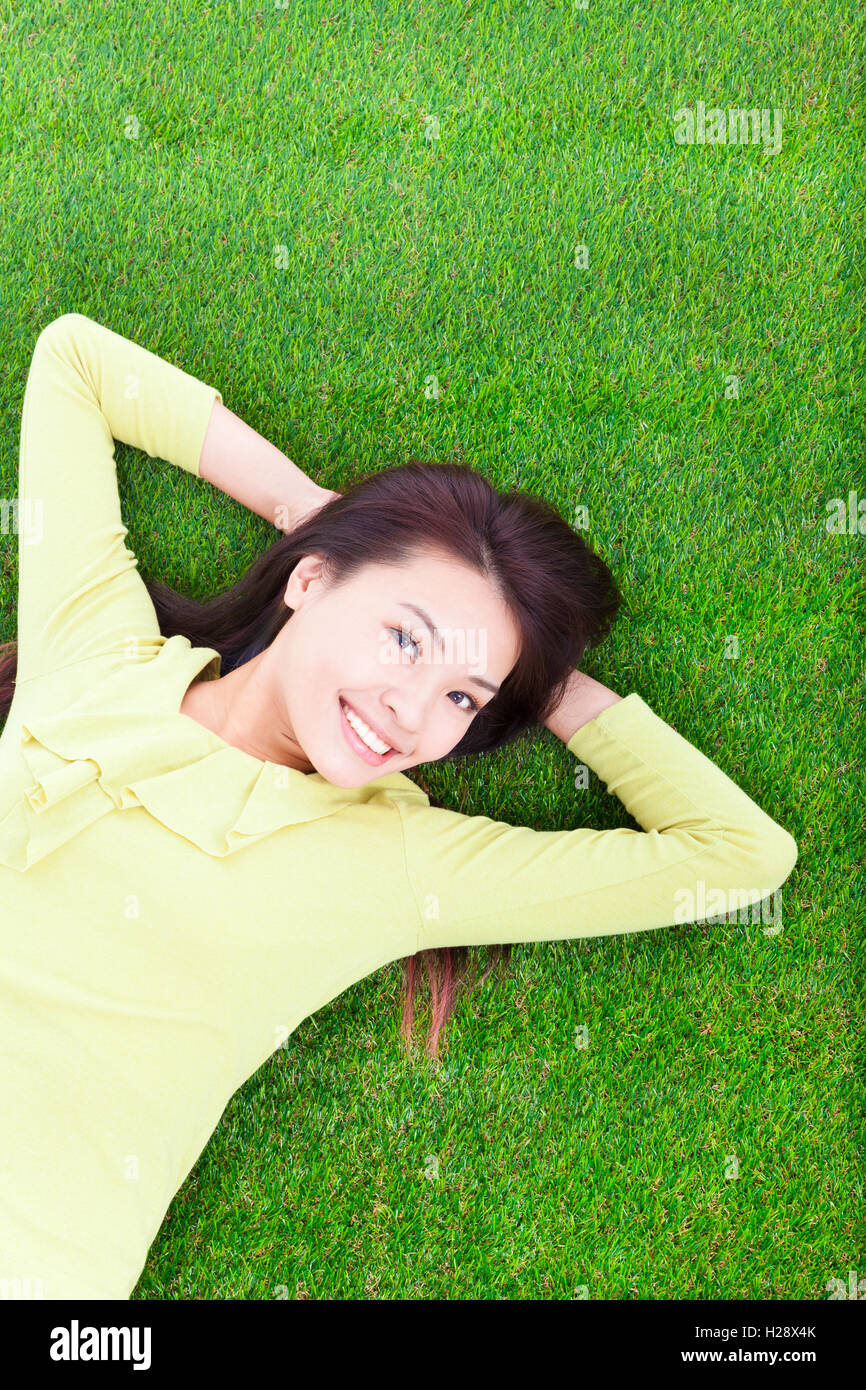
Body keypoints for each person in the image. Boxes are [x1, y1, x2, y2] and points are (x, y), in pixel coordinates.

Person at [0, 314, 798, 1300]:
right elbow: (74, 358)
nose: (413, 710)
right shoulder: (95, 655)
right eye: (407, 640)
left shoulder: (399, 862)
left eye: (465, 698)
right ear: (311, 578)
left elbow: (735, 855)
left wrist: (546, 686)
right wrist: (302, 504)